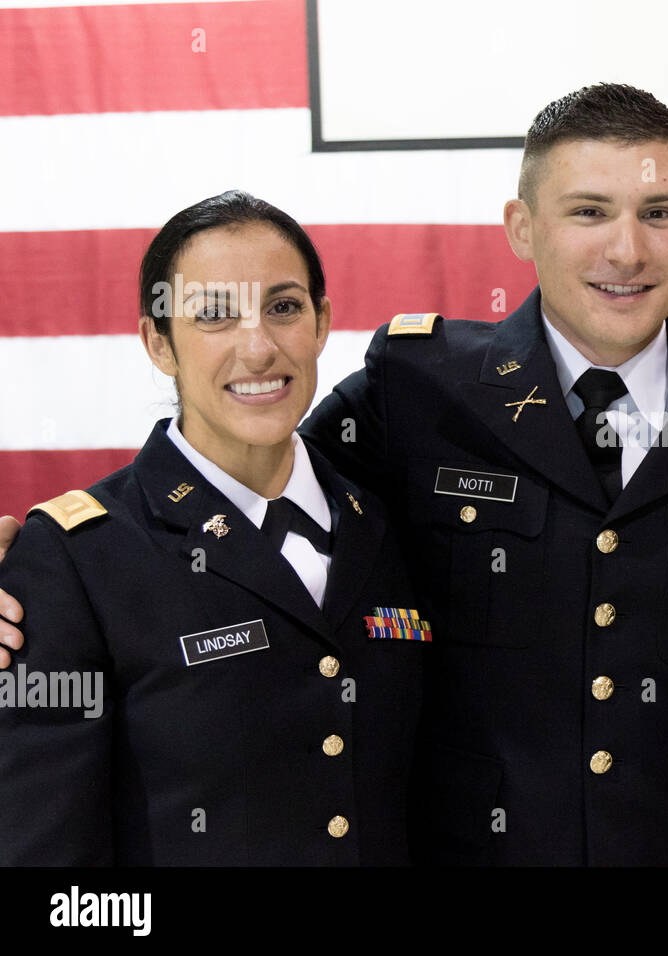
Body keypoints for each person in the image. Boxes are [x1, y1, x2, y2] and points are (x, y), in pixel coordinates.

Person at [0, 86, 668, 865]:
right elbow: (239, 475)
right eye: (588, 212)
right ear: (522, 227)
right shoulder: (422, 392)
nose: (627, 248)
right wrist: (32, 569)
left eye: (658, 213)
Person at [0, 191, 429, 865]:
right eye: (215, 316)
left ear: (322, 322)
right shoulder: (73, 561)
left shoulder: (389, 523)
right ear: (157, 342)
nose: (257, 349)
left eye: (284, 308)